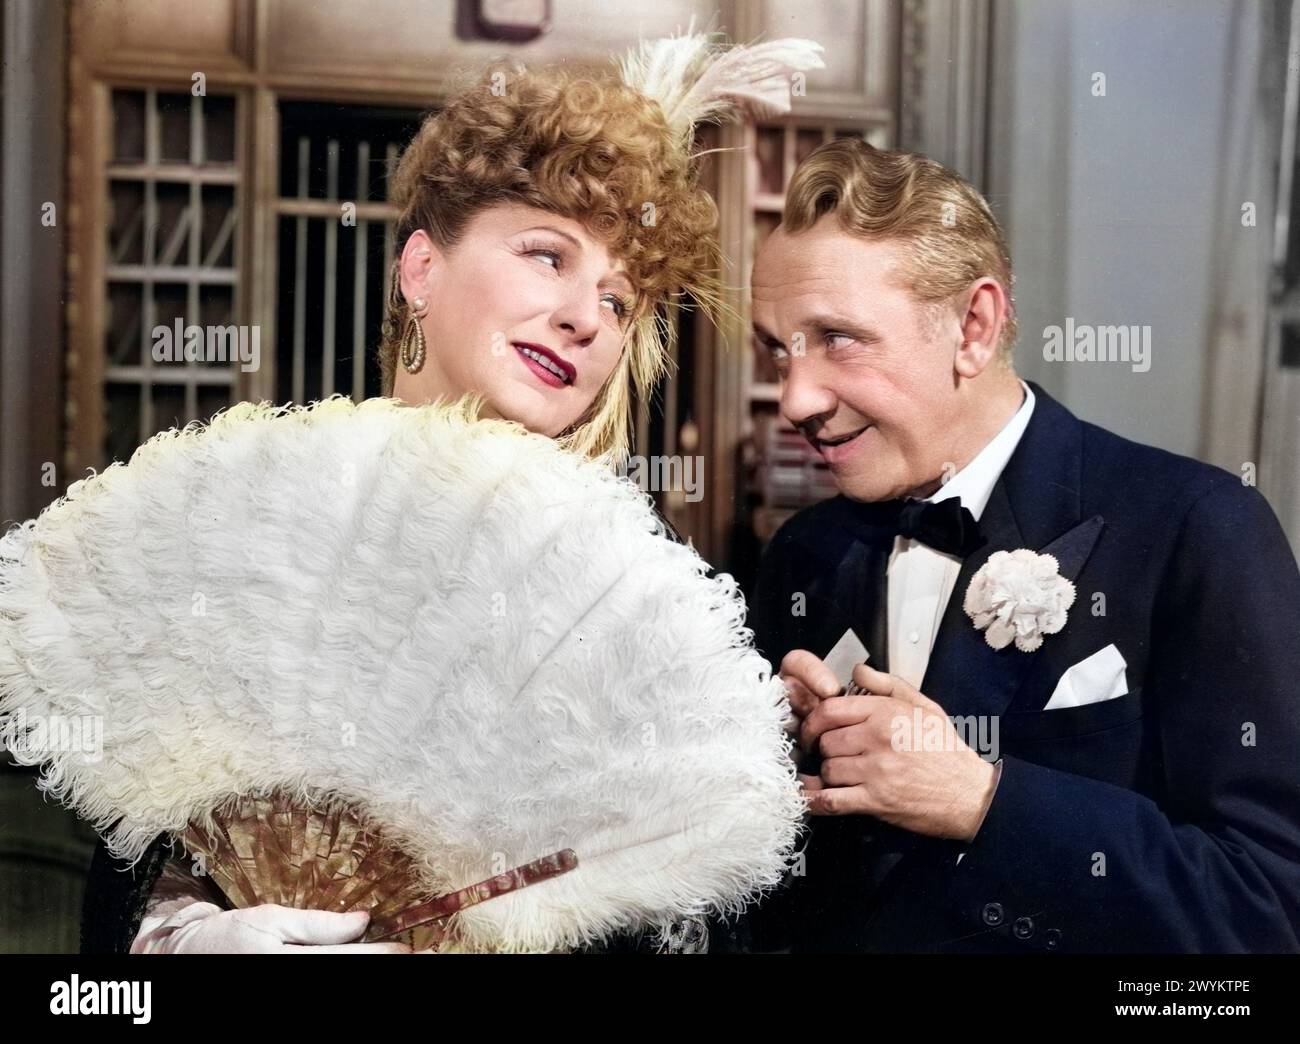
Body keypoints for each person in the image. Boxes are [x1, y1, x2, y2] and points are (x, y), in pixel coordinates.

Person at [79, 31, 824, 954]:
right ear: (422, 268)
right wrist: (182, 938)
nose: (585, 317)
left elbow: (670, 903)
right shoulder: (252, 521)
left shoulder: (631, 589)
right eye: (547, 256)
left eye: (621, 298)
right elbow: (138, 850)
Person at [735, 137, 1300, 953]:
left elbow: (1269, 910)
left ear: (974, 326)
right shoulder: (804, 554)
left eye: (838, 339)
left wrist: (980, 801)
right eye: (776, 349)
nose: (795, 398)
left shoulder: (1197, 528)